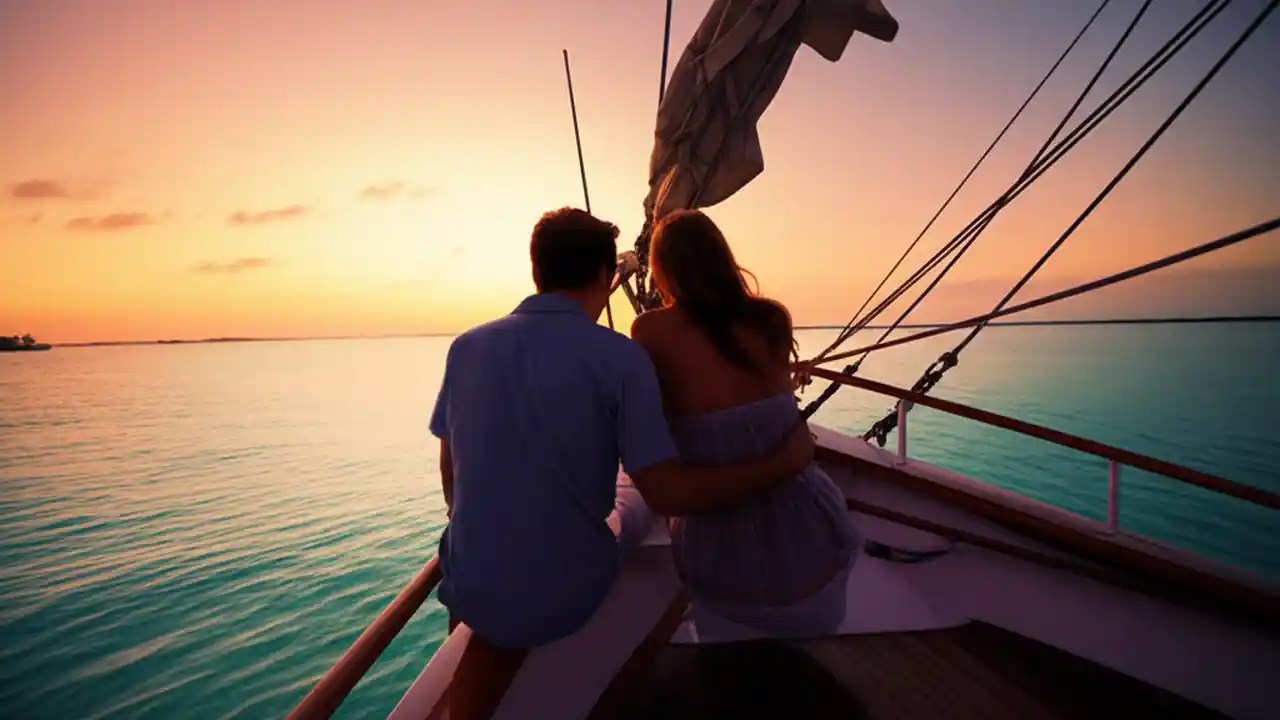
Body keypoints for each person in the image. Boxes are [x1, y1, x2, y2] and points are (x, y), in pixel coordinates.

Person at [429, 207, 815, 719]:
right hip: (568, 592)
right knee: (638, 503)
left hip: (466, 579)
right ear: (605, 277)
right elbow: (669, 493)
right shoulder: (620, 357)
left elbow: (450, 470)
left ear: (536, 271)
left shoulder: (466, 346)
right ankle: (644, 667)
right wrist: (781, 463)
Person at [631, 209, 861, 635]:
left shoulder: (650, 331)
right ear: (722, 256)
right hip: (809, 526)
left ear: (662, 272)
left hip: (724, 545)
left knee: (734, 666)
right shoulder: (771, 318)